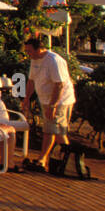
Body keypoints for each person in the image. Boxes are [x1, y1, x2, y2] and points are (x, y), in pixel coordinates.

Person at [23, 35, 76, 171]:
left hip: (60, 100)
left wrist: (53, 105)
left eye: (29, 51)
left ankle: (63, 161)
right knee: (51, 130)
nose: (28, 54)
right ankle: (49, 160)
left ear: (38, 49)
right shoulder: (35, 60)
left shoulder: (53, 61)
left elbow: (59, 85)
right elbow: (31, 81)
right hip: (46, 99)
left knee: (55, 131)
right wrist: (27, 98)